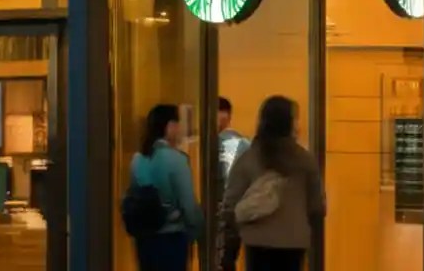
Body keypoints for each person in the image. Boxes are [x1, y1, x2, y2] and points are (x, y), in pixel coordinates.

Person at [222, 96, 325, 271]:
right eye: (295, 119)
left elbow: (230, 206)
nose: (298, 125)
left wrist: (229, 253)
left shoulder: (249, 158)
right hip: (294, 244)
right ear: (289, 123)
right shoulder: (305, 161)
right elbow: (318, 207)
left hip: (257, 243)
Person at [131, 104, 203, 271]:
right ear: (170, 126)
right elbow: (189, 206)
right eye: (178, 124)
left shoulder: (138, 159)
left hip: (144, 240)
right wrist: (195, 234)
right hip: (171, 240)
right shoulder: (177, 160)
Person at [217, 96, 252, 265]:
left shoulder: (226, 143)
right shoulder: (246, 144)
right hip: (238, 213)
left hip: (223, 214)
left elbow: (227, 181)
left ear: (224, 115)